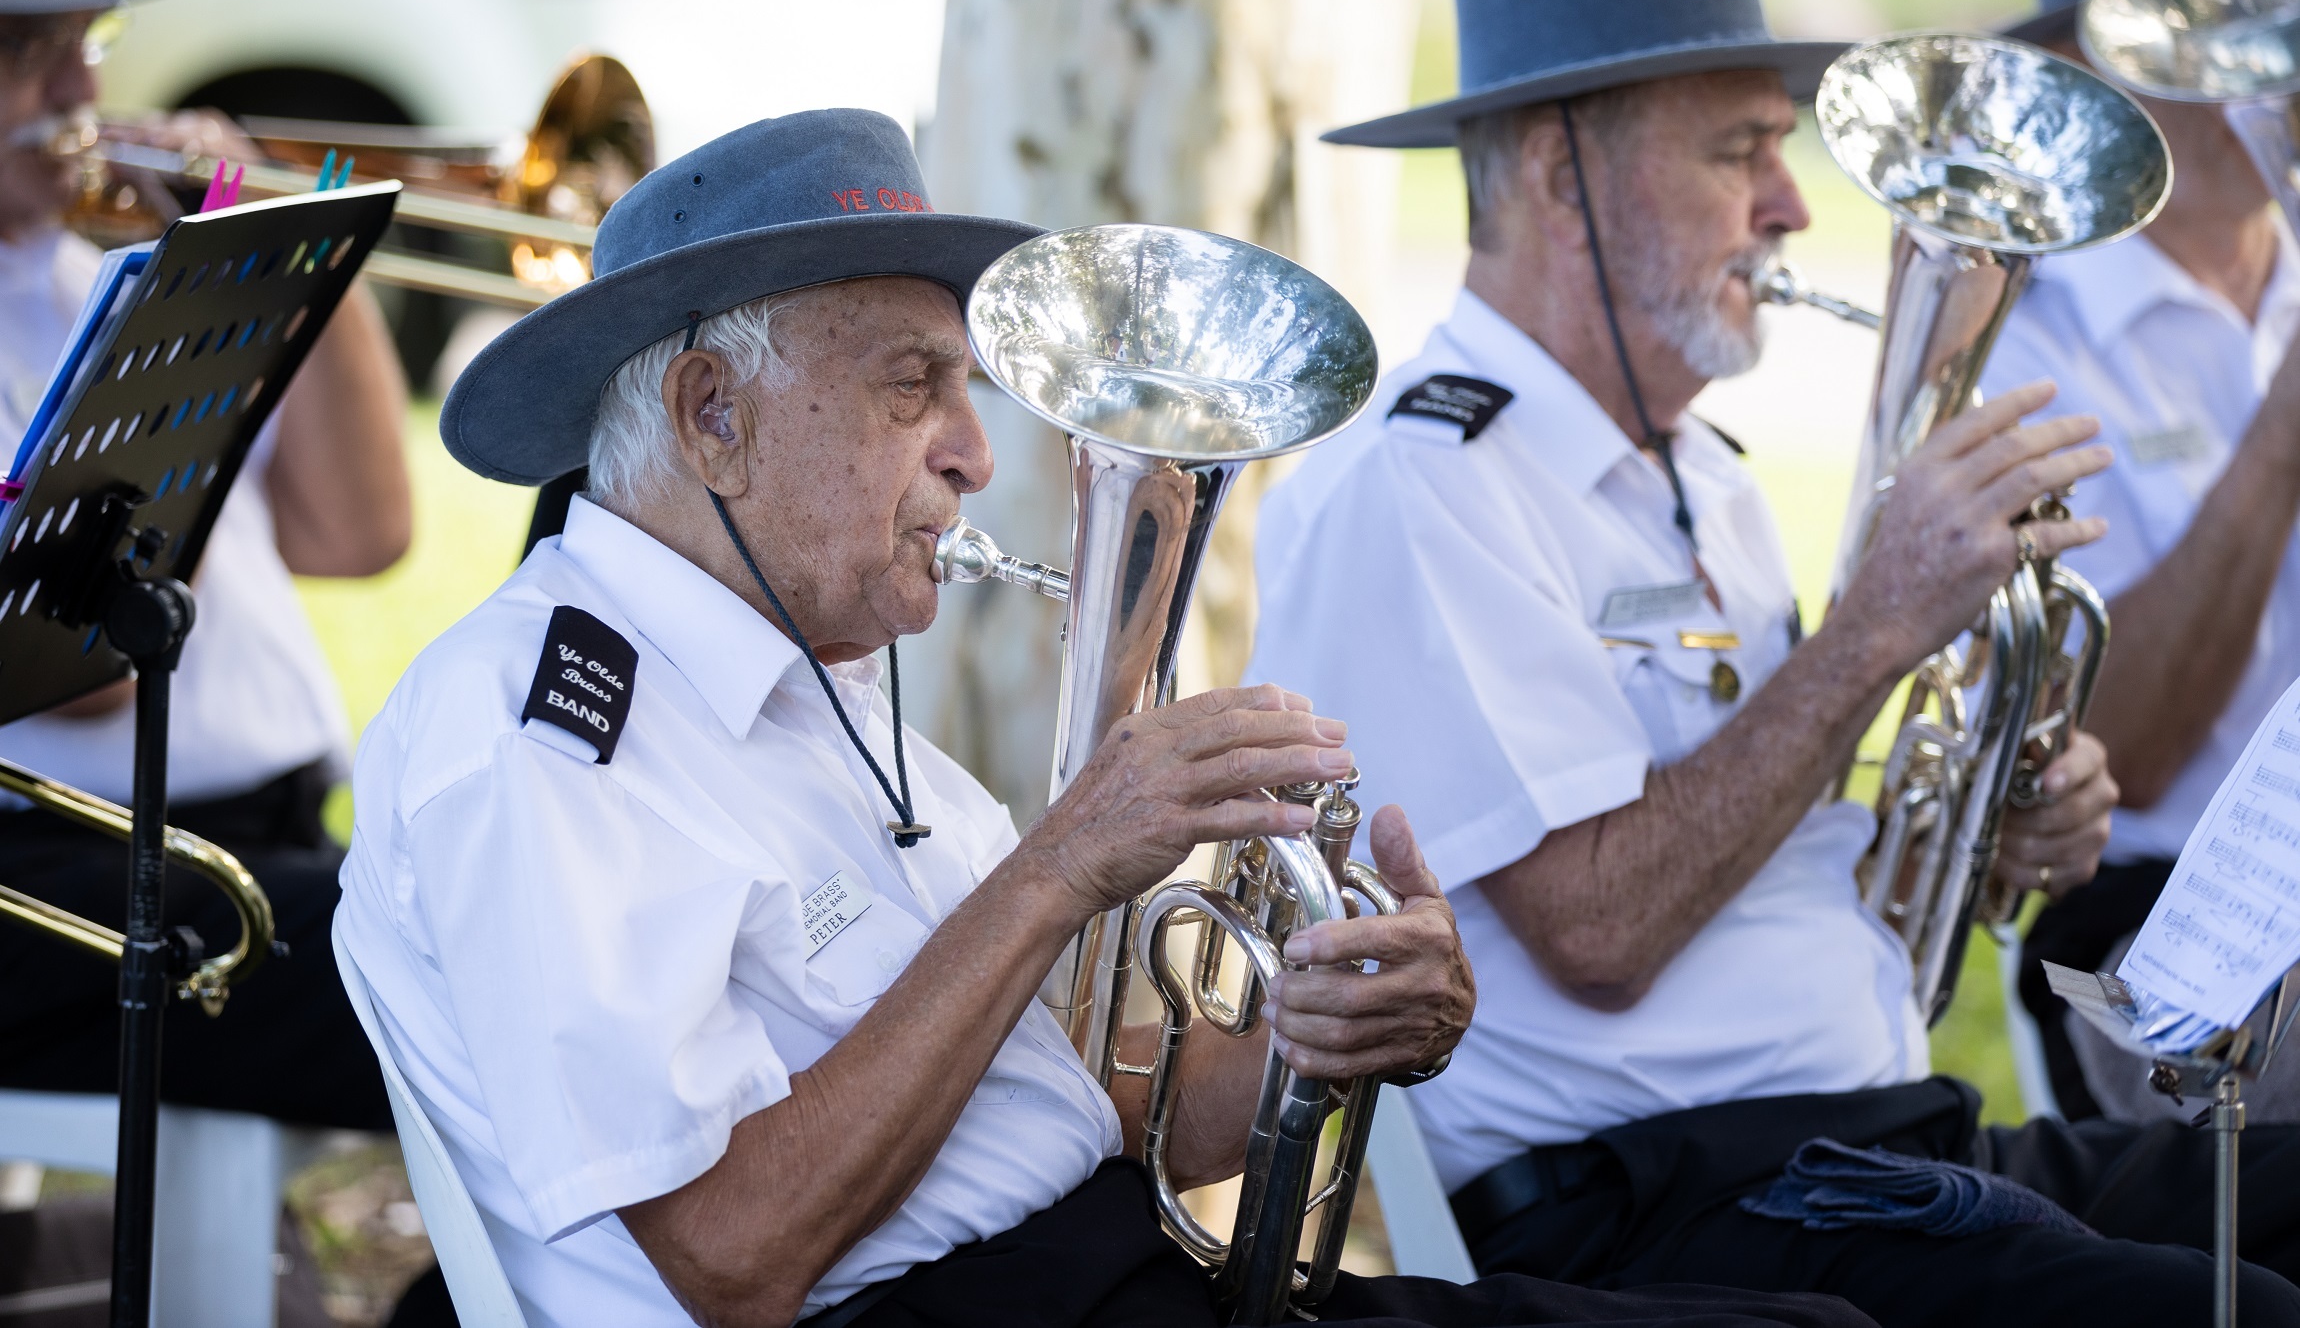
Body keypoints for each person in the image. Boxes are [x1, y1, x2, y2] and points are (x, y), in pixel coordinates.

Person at [339, 107, 1885, 1328]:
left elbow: (1073, 1111)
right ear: (711, 417)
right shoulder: (537, 728)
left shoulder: (825, 701)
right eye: (911, 386)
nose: (971, 453)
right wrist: (1061, 865)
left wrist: (1313, 1034)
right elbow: (732, 1255)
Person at [1245, 0, 2300, 1328]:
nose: (1795, 205)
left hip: (1867, 1149)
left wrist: (1989, 828)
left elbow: (1777, 858)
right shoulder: (1416, 484)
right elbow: (1605, 928)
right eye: (1740, 151)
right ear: (1564, 172)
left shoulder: (1703, 477)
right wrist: (1879, 622)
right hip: (1668, 1202)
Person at [0, 0, 445, 1322]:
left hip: (259, 838)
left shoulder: (107, 269)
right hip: (58, 876)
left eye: (90, 32)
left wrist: (290, 255)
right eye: (32, 49)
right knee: (480, 992)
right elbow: (70, 689)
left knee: (535, 927)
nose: (84, 86)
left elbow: (359, 530)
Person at [1976, 0, 2300, 1123]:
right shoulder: (2026, 344)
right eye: (2216, 40)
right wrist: (2282, 434)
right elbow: (2133, 748)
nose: (2268, 83)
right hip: (2160, 923)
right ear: (2087, 80)